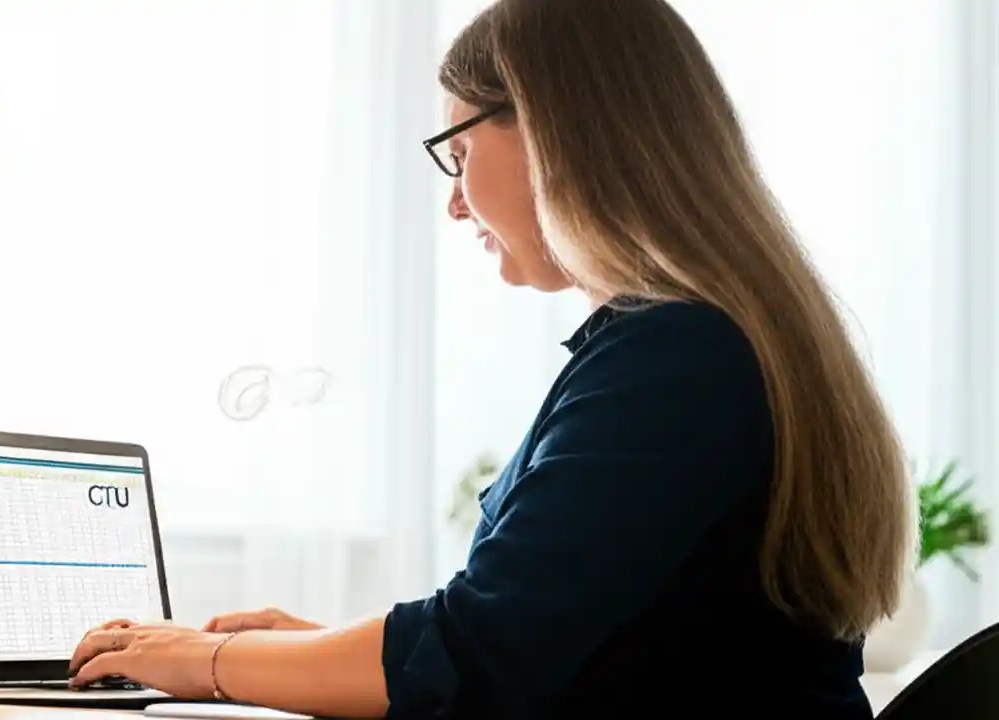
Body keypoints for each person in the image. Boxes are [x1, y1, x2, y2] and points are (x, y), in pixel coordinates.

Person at [67, 0, 917, 717]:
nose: (454, 202)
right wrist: (316, 652)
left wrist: (196, 663)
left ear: (555, 129)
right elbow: (563, 646)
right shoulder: (701, 344)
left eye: (460, 153)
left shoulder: (676, 358)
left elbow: (484, 653)